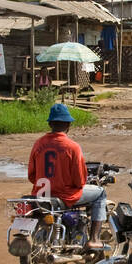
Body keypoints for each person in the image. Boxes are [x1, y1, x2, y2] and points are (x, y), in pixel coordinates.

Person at [28, 103, 106, 250]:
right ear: (68, 125)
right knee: (100, 194)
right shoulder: (72, 147)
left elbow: (32, 175)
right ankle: (94, 239)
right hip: (65, 196)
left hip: (41, 195)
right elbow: (80, 180)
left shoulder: (38, 144)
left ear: (50, 124)